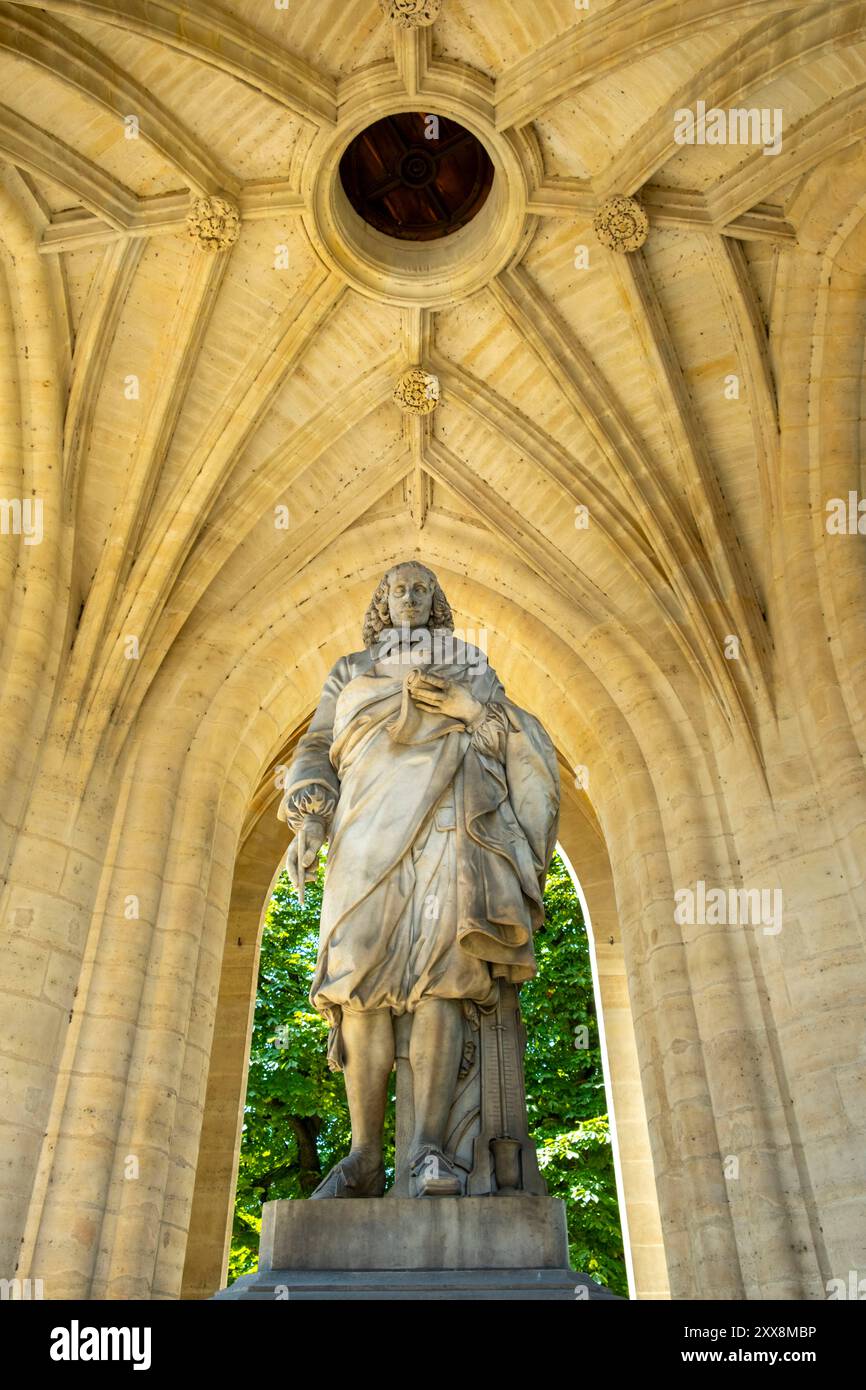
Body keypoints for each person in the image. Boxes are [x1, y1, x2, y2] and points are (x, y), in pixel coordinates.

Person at [280, 562, 559, 1197]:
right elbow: (317, 746)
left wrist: (468, 709)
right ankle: (363, 1156)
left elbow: (509, 736)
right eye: (397, 588)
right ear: (383, 601)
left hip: (446, 829)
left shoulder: (466, 663)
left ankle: (432, 1151)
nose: (409, 596)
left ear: (435, 601)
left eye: (421, 588)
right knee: (356, 981)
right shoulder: (351, 670)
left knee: (442, 978)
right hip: (362, 834)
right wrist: (312, 820)